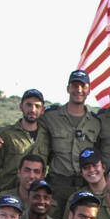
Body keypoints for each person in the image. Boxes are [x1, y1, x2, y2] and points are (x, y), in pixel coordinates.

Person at [43, 69, 103, 203]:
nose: (79, 90)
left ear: (89, 90)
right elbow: (29, 126)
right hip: (57, 185)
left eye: (83, 86)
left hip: (85, 185)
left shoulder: (96, 122)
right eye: (75, 86)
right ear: (68, 88)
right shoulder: (51, 117)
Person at [0, 88, 52, 194]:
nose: (32, 109)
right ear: (21, 106)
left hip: (35, 196)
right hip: (8, 193)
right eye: (28, 105)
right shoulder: (6, 134)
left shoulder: (47, 136)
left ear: (42, 110)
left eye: (37, 106)